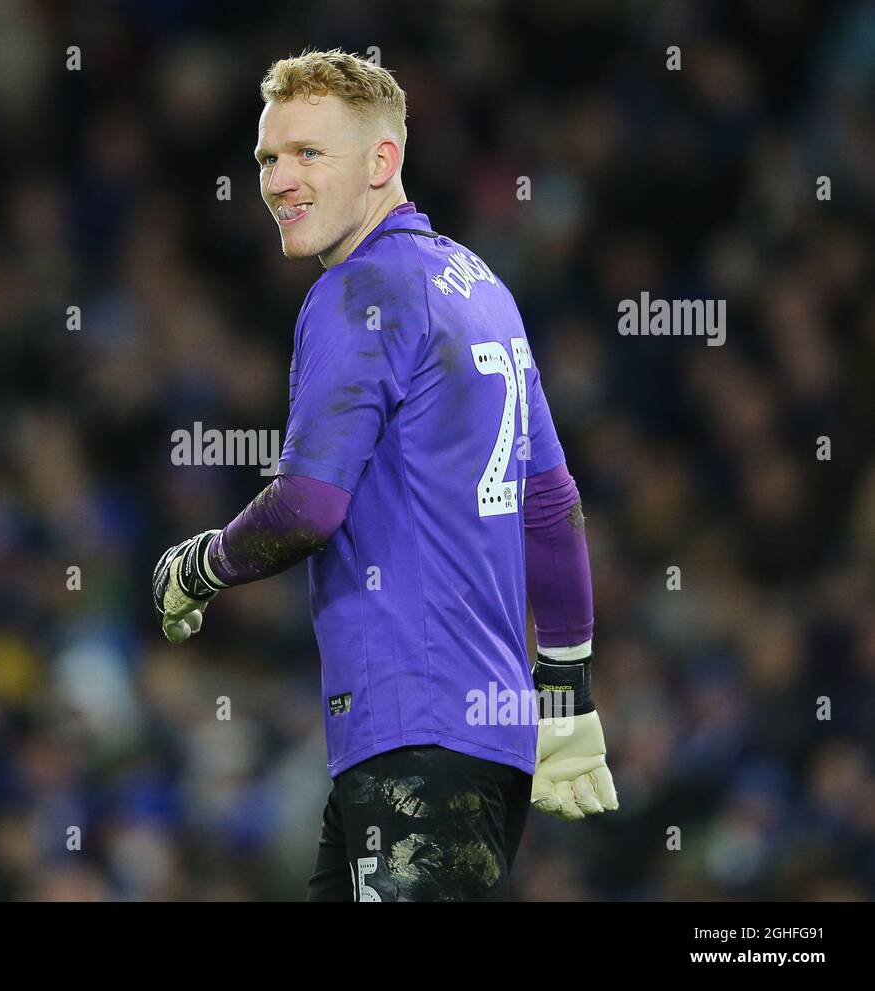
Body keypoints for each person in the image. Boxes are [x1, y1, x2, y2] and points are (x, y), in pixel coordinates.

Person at [153, 48, 618, 902]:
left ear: (382, 161)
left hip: (416, 731)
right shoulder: (482, 287)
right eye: (267, 157)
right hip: (475, 738)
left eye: (308, 154)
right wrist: (566, 693)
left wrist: (202, 564)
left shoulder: (357, 290)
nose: (279, 180)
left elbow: (309, 503)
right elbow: (550, 506)